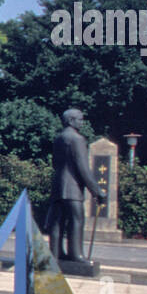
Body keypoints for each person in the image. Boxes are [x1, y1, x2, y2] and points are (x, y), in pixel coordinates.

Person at [46, 109, 107, 263]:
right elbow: (83, 167)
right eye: (80, 119)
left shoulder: (58, 138)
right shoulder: (77, 139)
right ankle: (76, 255)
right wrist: (97, 191)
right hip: (72, 187)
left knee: (57, 221)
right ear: (71, 120)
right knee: (76, 220)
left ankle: (56, 253)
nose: (82, 122)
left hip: (58, 185)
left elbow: (55, 163)